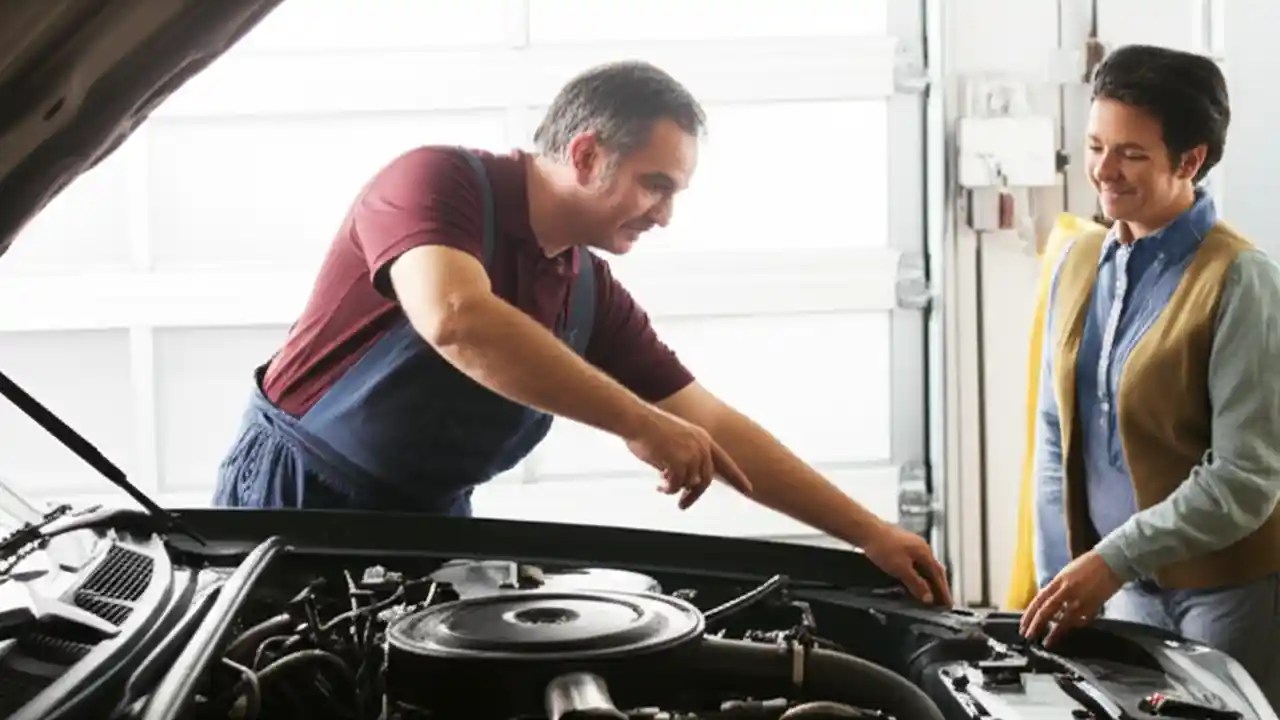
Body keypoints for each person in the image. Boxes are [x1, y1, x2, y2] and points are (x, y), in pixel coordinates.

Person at [211, 60, 952, 607]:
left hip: (428, 527)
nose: (664, 214)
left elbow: (713, 423)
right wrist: (637, 420)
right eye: (655, 184)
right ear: (589, 154)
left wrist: (869, 534)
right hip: (296, 499)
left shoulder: (588, 294)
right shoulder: (434, 183)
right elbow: (456, 319)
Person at [1021, 44, 1280, 705]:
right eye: (1095, 145)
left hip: (1226, 600)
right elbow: (1055, 434)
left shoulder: (1242, 281)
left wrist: (1111, 560)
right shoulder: (1078, 261)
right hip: (1116, 592)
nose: (1104, 171)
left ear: (1190, 160)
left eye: (1131, 153)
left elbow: (1245, 477)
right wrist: (1061, 579)